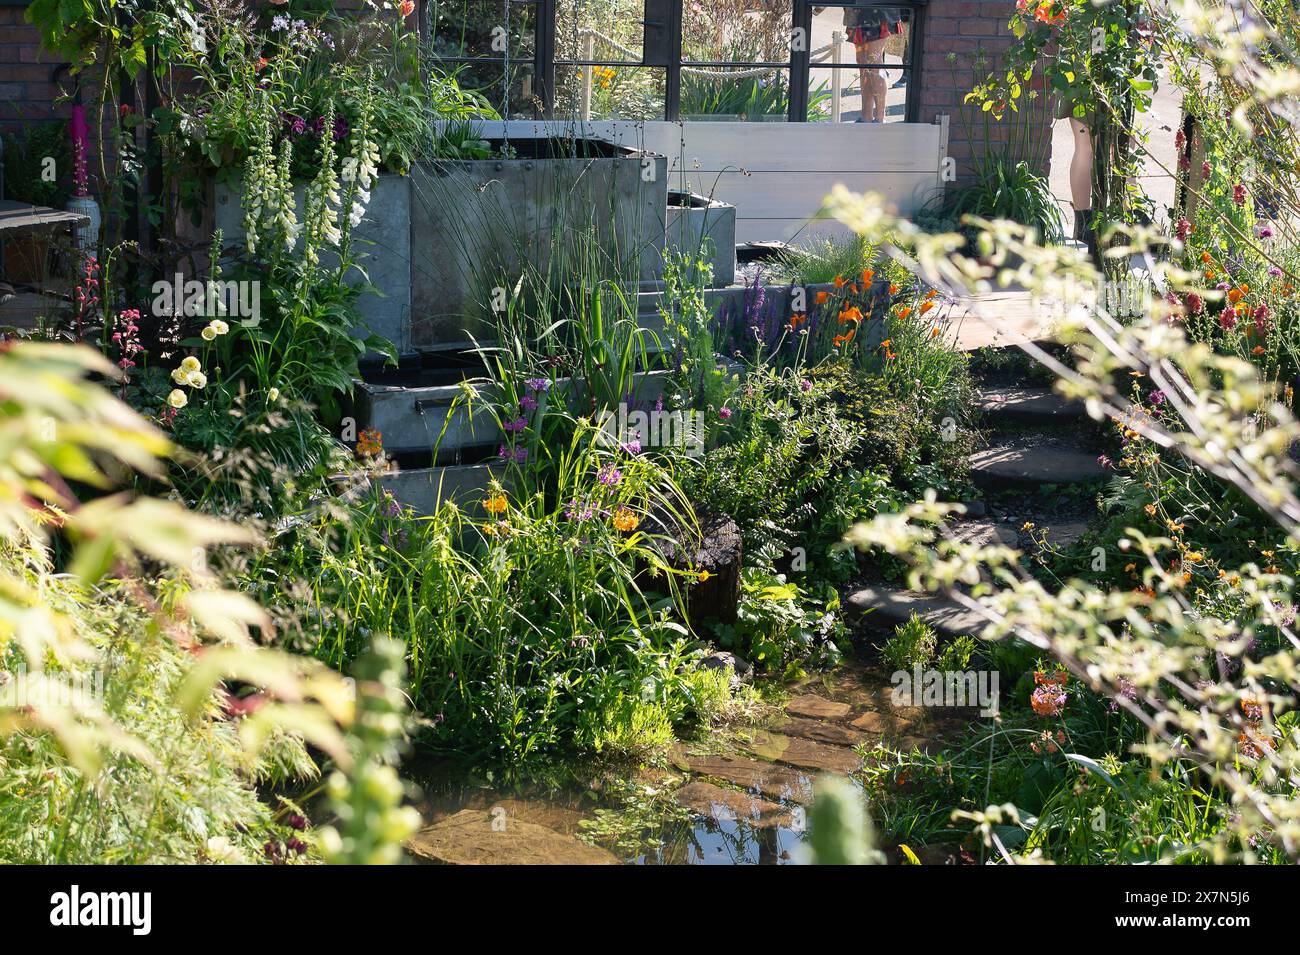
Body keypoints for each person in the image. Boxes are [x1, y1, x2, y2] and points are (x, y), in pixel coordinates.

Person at [844, 5, 904, 122]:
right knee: (863, 63)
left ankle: (880, 118)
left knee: (874, 63)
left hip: (879, 9)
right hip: (858, 10)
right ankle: (866, 116)